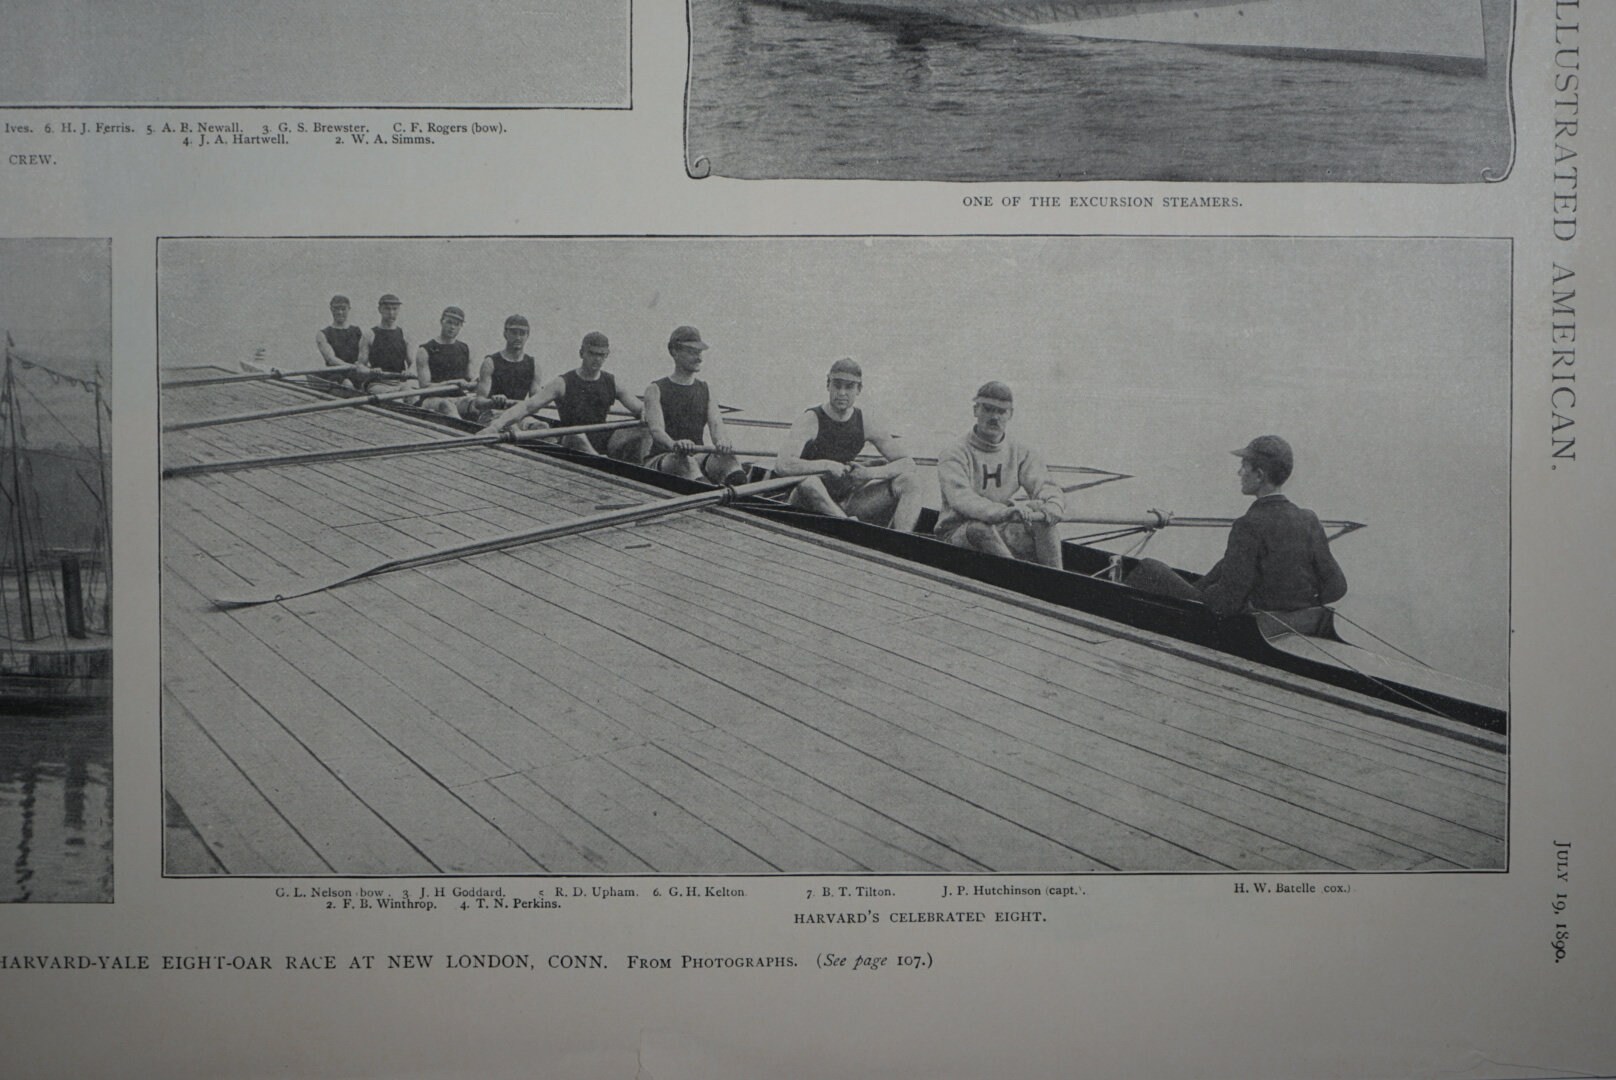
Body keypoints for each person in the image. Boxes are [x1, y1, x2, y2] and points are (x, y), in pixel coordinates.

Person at [1126, 435, 1348, 635]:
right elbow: (1337, 587)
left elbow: (1226, 604)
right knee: (1217, 571)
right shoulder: (1308, 519)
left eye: (1244, 466)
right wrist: (1296, 606)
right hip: (1298, 622)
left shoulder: (1248, 525)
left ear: (1259, 475)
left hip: (1256, 628)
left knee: (1148, 568)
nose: (1239, 473)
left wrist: (1211, 593)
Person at [773, 357, 924, 532]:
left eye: (849, 387)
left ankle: (900, 541)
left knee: (910, 481)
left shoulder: (865, 422)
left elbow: (908, 463)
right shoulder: (810, 420)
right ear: (828, 385)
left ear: (859, 389)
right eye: (837, 386)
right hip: (804, 503)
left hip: (844, 503)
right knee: (809, 482)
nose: (842, 393)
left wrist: (870, 473)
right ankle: (848, 527)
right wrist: (827, 465)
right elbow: (782, 465)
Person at [934, 381, 1064, 567]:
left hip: (1000, 526)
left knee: (1043, 519)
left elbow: (1044, 486)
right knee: (980, 529)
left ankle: (1057, 578)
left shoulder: (1021, 451)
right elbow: (962, 499)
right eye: (988, 409)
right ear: (975, 410)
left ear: (1010, 414)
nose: (994, 417)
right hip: (956, 532)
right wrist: (1003, 512)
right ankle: (1016, 578)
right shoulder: (954, 452)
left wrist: (1054, 504)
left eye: (1001, 411)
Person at [485, 331, 648, 457]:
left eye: (601, 355)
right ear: (581, 353)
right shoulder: (563, 383)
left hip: (602, 439)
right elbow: (527, 406)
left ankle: (637, 466)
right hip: (571, 440)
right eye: (592, 353)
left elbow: (640, 407)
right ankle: (602, 463)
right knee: (576, 434)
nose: (597, 359)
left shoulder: (612, 382)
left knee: (643, 430)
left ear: (607, 355)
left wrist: (646, 413)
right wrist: (496, 426)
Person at [641, 325, 743, 483]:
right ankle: (707, 491)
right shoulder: (655, 389)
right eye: (692, 352)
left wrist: (722, 443)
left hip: (696, 454)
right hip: (663, 457)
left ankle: (739, 492)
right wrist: (675, 444)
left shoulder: (706, 389)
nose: (699, 358)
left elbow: (716, 426)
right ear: (674, 352)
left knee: (729, 460)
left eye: (699, 352)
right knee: (685, 462)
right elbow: (657, 431)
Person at [472, 314, 544, 425]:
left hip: (519, 414)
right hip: (492, 414)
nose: (518, 338)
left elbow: (536, 406)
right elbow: (478, 401)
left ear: (527, 335)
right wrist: (493, 401)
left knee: (542, 426)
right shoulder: (490, 362)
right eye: (514, 333)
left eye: (522, 333)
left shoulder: (534, 365)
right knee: (511, 429)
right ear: (505, 334)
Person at [413, 305, 476, 419]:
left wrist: (477, 382)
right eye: (449, 322)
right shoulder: (425, 350)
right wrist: (452, 383)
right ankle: (459, 427)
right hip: (432, 400)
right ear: (441, 321)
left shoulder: (465, 349)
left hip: (458, 398)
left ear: (461, 326)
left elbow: (470, 379)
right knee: (447, 405)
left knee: (478, 405)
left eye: (457, 324)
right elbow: (425, 387)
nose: (452, 327)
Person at [354, 293, 416, 391]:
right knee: (391, 396)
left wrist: (409, 371)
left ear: (399, 310)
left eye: (395, 309)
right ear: (380, 310)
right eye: (387, 309)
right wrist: (371, 371)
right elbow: (360, 366)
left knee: (413, 396)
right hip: (378, 383)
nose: (391, 313)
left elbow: (412, 363)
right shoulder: (369, 335)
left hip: (400, 383)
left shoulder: (405, 334)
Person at [313, 294, 361, 386]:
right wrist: (353, 367)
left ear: (349, 309)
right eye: (336, 309)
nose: (340, 312)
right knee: (347, 384)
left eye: (343, 309)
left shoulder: (357, 331)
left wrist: (362, 365)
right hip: (336, 373)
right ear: (331, 309)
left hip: (356, 372)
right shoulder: (323, 334)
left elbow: (363, 355)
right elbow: (331, 359)